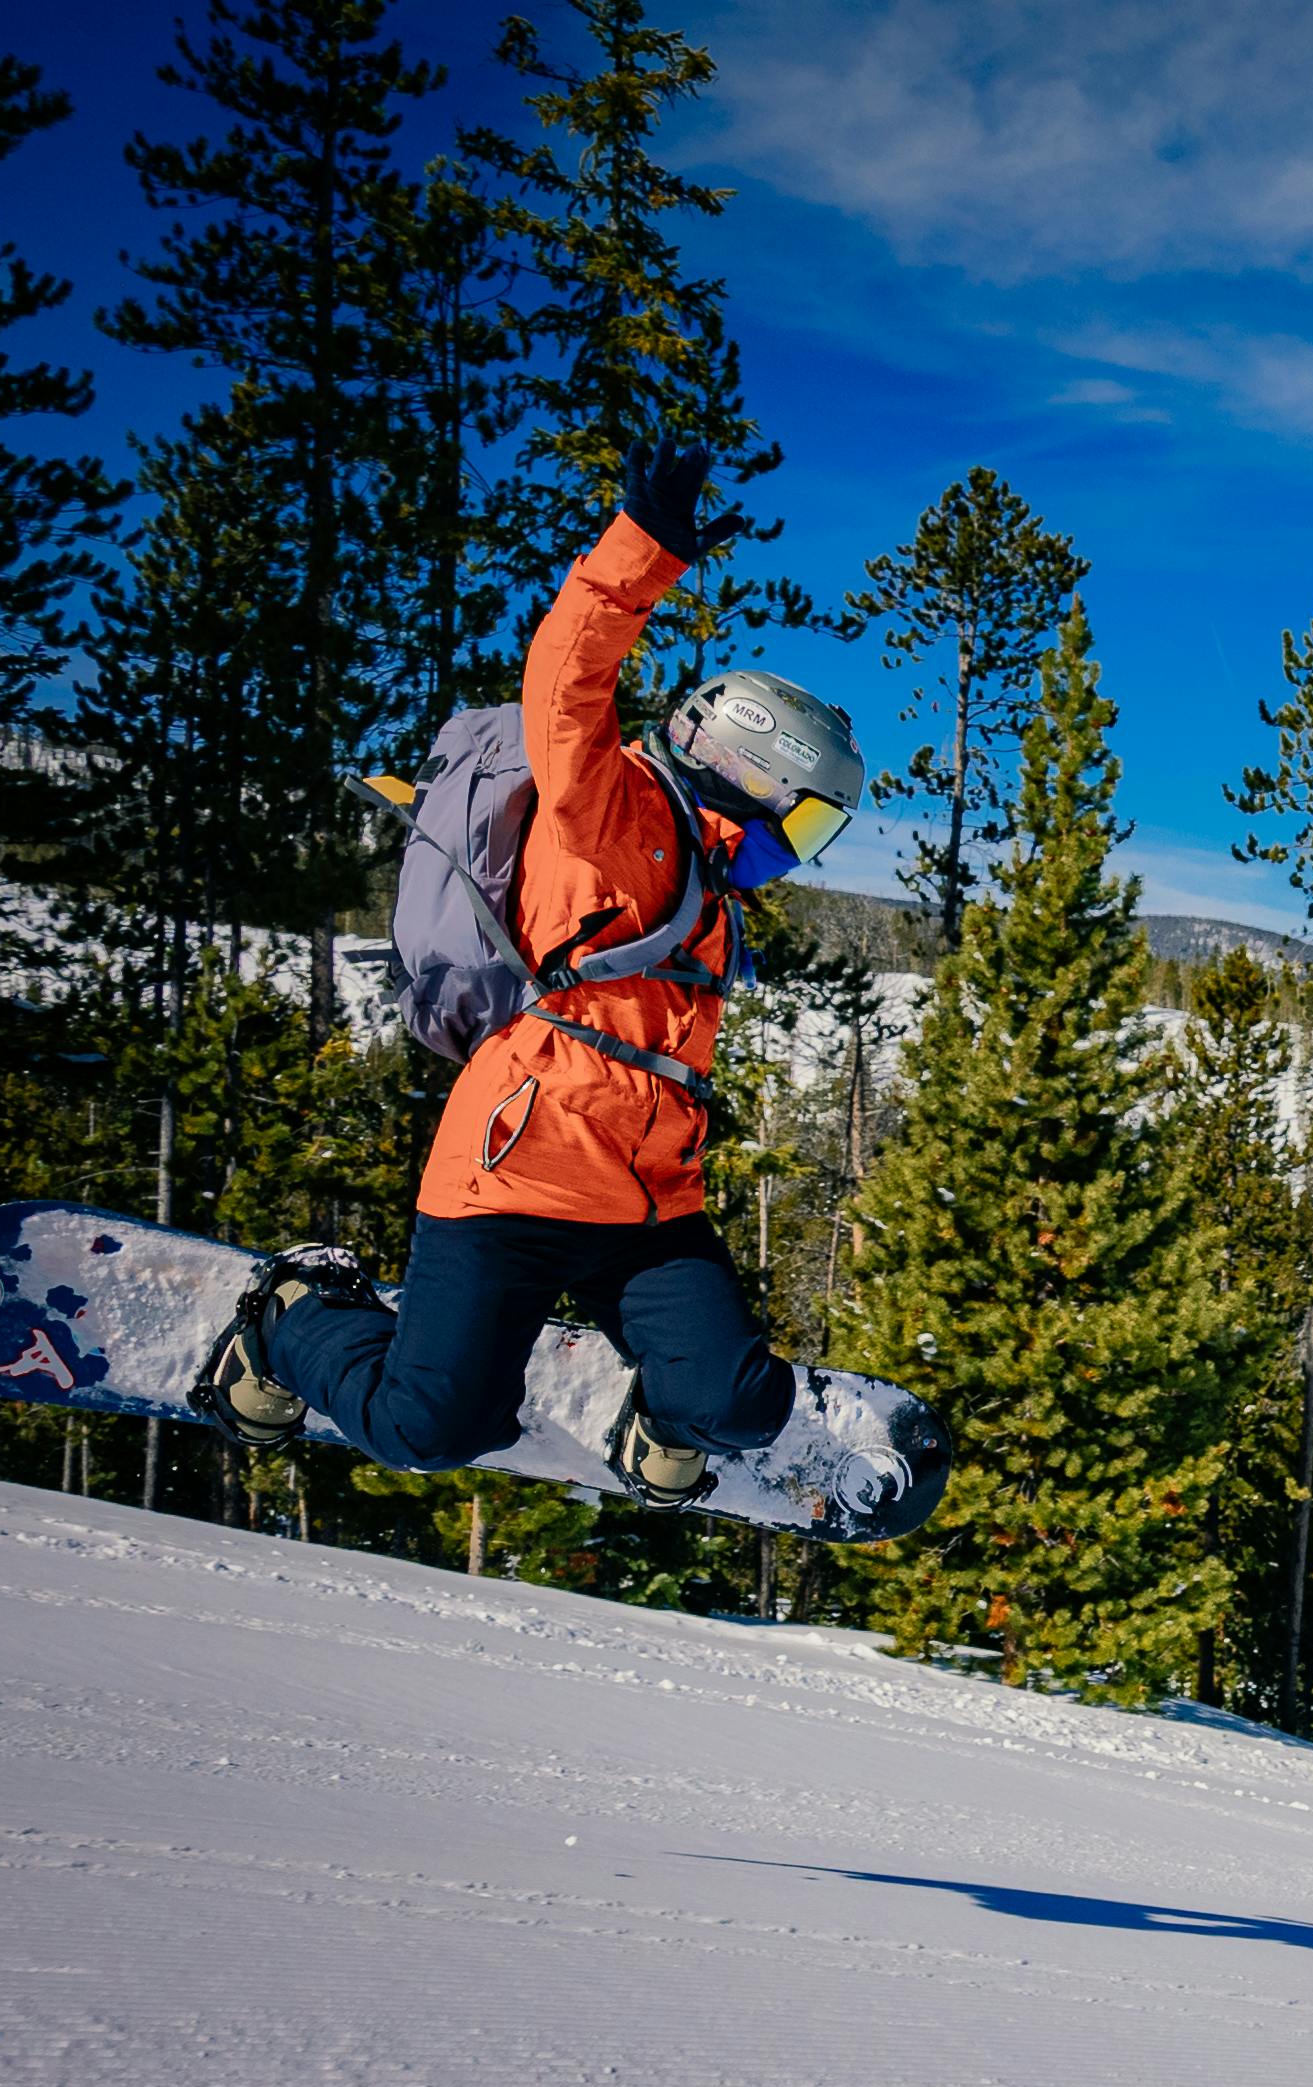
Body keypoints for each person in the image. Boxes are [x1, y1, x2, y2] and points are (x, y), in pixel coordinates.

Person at [191, 442, 866, 1506]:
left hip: (645, 1205)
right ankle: (292, 1323)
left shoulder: (713, 897)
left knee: (740, 1404)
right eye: (806, 816)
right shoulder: (609, 817)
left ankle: (670, 1410)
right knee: (431, 1426)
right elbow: (566, 677)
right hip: (516, 1170)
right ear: (747, 775)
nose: (801, 845)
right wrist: (644, 551)